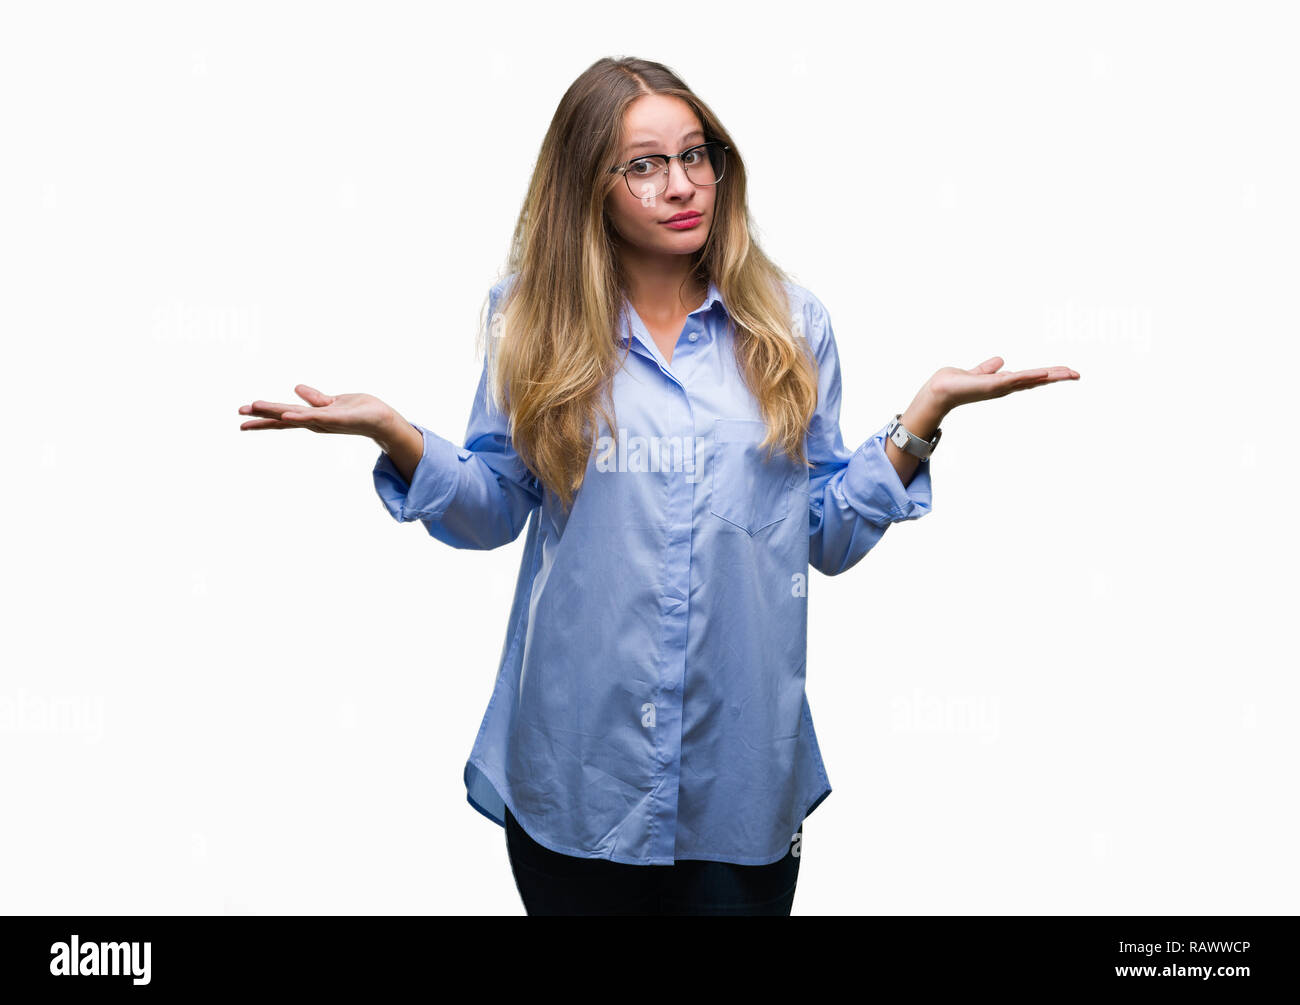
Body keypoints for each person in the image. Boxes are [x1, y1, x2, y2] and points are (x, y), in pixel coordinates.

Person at [237, 56, 1079, 915]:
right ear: (588, 186)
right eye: (643, 165)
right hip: (577, 773)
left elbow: (819, 535)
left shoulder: (791, 327)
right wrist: (399, 436)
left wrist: (921, 418)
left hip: (738, 775)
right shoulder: (529, 319)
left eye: (695, 155)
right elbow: (493, 507)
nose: (682, 185)